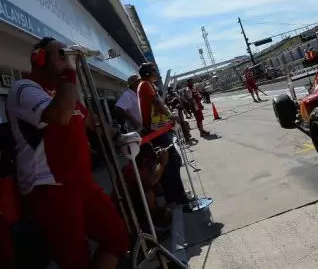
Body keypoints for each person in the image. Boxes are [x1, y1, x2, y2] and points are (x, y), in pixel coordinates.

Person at [5, 37, 129, 269]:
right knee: (75, 260)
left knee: (117, 238)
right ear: (39, 58)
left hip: (82, 183)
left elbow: (94, 122)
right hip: (50, 188)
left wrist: (122, 136)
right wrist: (71, 72)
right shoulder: (24, 88)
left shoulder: (62, 92)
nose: (66, 58)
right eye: (60, 54)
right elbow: (61, 116)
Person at [137, 62, 190, 207]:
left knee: (170, 162)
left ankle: (175, 195)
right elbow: (158, 104)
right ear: (147, 73)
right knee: (172, 160)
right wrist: (171, 117)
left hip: (158, 130)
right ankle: (177, 197)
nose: (156, 72)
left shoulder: (148, 85)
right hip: (156, 132)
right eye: (154, 70)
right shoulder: (145, 85)